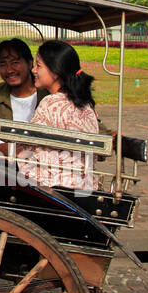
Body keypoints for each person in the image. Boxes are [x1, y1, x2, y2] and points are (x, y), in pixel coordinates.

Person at [14, 40, 99, 192]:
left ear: (55, 71)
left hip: (55, 184)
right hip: (84, 184)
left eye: (38, 66)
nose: (33, 70)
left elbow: (28, 143)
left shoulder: (51, 103)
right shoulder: (86, 105)